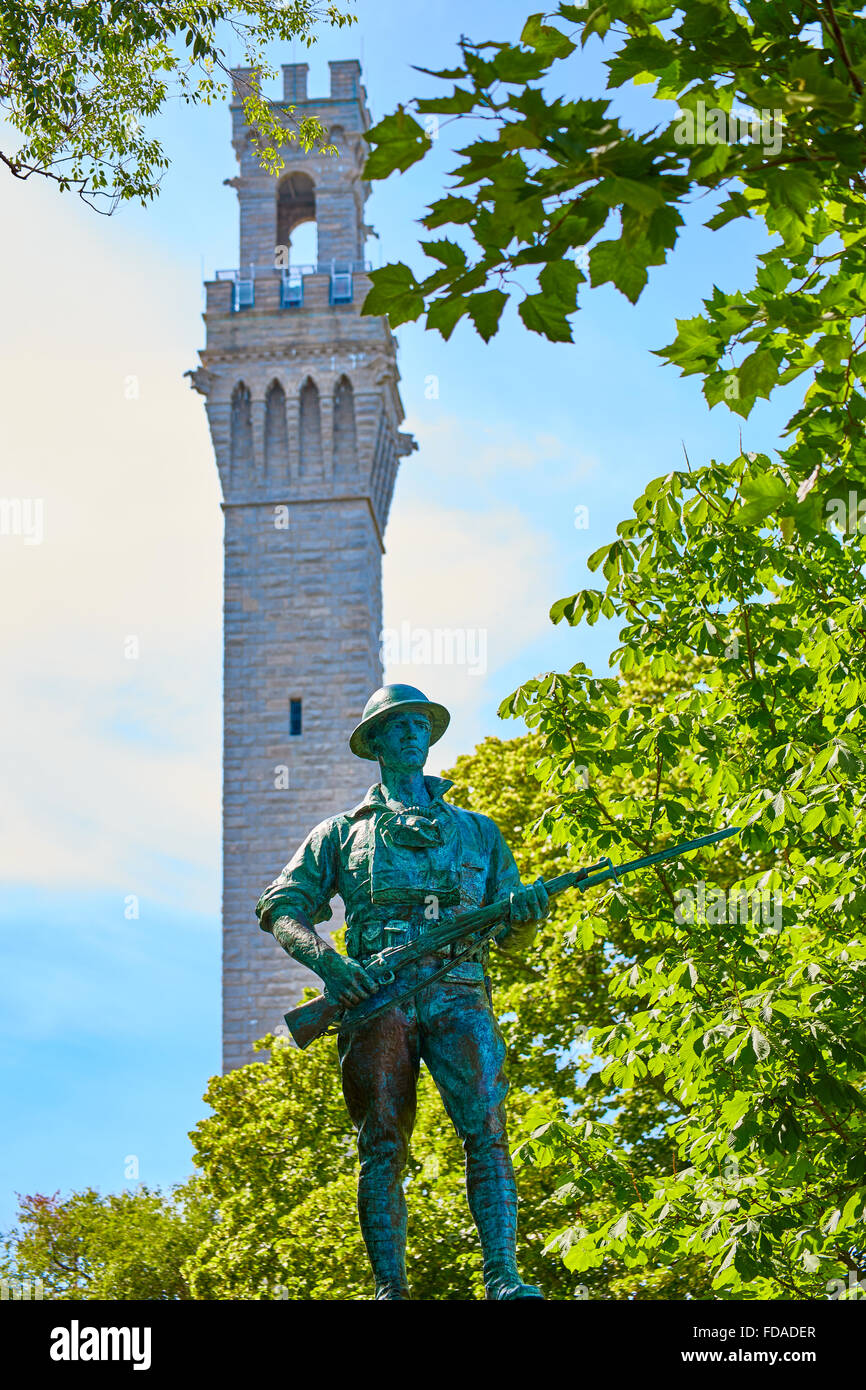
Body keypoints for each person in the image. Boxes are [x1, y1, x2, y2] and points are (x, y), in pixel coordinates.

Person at [255, 683, 550, 1300]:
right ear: (377, 743)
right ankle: (390, 1287)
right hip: (376, 998)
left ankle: (503, 1276)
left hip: (460, 990)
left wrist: (526, 914)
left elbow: (511, 937)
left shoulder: (479, 831)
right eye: (400, 724)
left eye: (422, 723)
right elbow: (281, 907)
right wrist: (331, 968)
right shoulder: (340, 833)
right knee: (382, 1144)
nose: (413, 732)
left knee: (487, 1128)